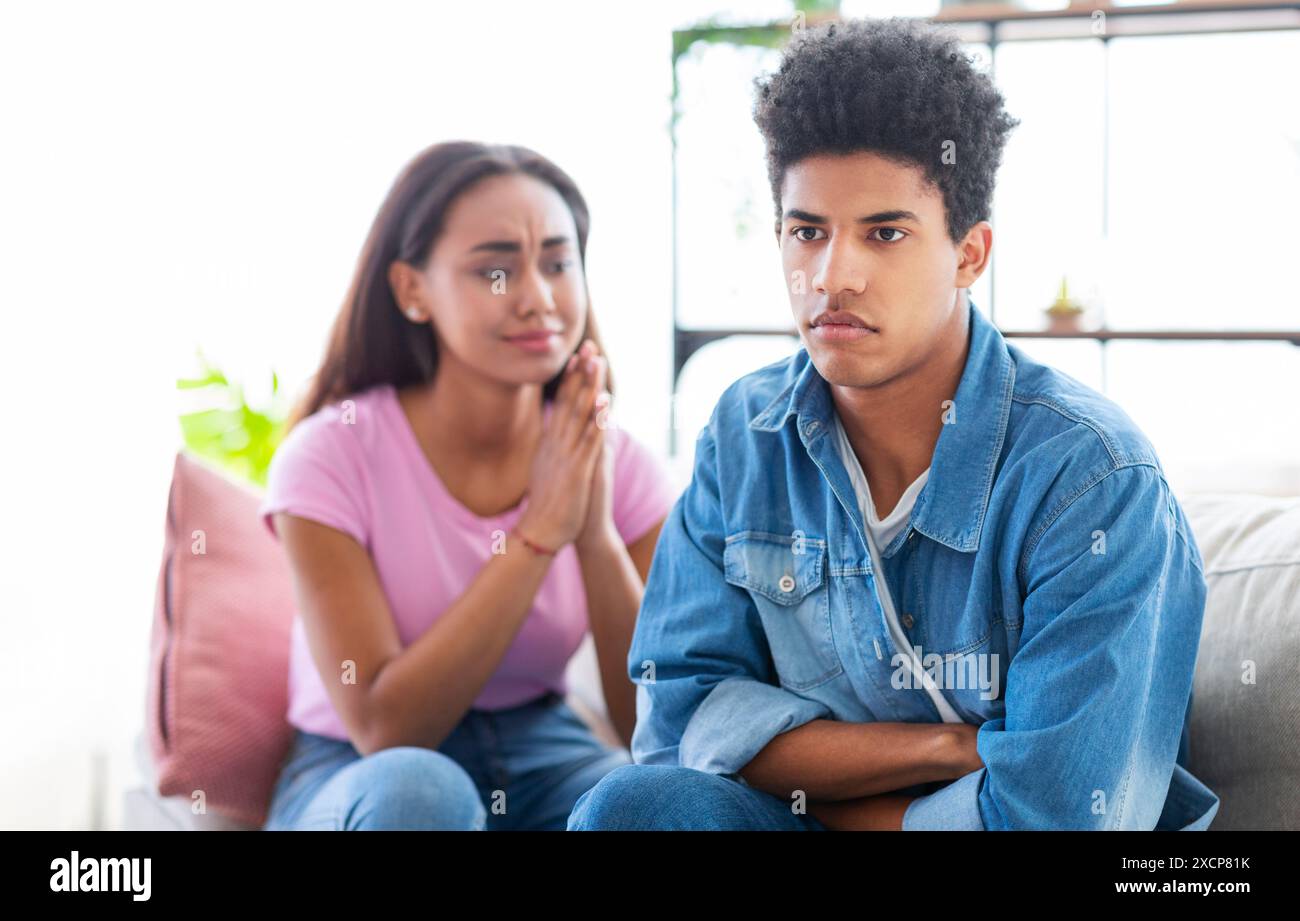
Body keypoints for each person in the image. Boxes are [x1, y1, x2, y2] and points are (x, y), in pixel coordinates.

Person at [568, 18, 1219, 831]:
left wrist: (834, 810)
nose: (833, 277)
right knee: (630, 810)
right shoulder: (745, 434)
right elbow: (678, 732)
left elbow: (1052, 816)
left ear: (969, 254)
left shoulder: (1094, 480)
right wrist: (951, 748)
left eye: (885, 233)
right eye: (807, 232)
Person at [258, 141, 676, 830]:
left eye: (557, 262)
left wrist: (594, 535)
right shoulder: (330, 455)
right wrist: (539, 532)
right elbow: (386, 726)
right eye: (494, 271)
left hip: (545, 748)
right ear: (411, 289)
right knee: (422, 794)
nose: (538, 298)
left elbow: (655, 729)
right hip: (359, 768)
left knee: (653, 802)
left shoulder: (611, 457)